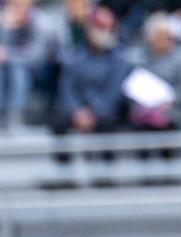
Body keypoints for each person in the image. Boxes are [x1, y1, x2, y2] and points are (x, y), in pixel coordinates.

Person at [56, 6, 136, 139]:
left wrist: (94, 113)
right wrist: (77, 111)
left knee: (108, 124)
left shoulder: (119, 58)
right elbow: (67, 87)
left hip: (106, 113)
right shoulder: (76, 56)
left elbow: (114, 92)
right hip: (79, 111)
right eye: (100, 28)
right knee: (59, 124)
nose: (105, 33)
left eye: (109, 29)